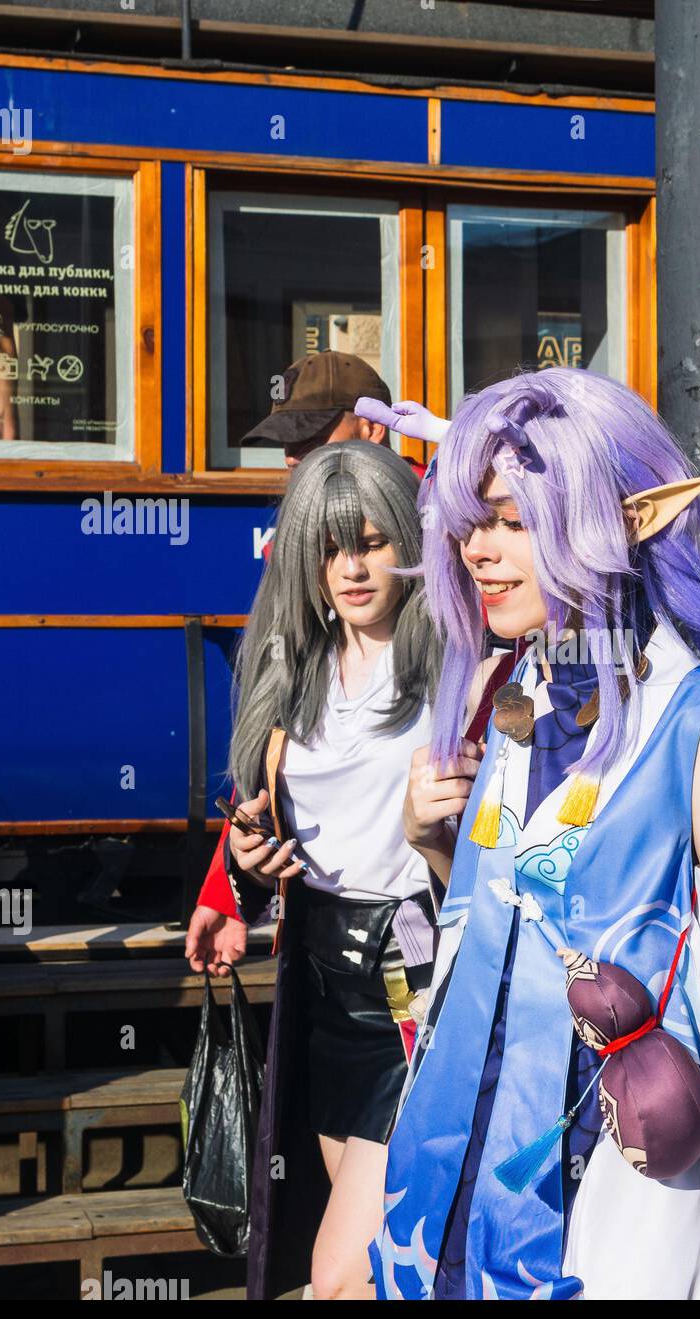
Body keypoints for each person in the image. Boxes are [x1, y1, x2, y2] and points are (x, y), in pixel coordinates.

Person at [372, 368, 700, 1300]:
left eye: (515, 522)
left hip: (615, 1167)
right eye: (473, 523)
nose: (481, 550)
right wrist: (434, 845)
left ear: (615, 524)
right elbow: (495, 928)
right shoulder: (507, 690)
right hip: (459, 1159)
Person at [193, 440, 440, 1301]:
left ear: (408, 540)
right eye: (333, 549)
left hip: (413, 978)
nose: (352, 569)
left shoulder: (453, 661)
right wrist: (242, 869)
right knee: (386, 1264)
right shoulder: (289, 667)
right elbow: (265, 819)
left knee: (340, 1279)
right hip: (319, 990)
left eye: (373, 543)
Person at [184, 353, 397, 978]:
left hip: (425, 949)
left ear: (372, 429)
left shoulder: (451, 537)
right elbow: (275, 733)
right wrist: (230, 884)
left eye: (308, 437)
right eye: (285, 442)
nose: (291, 458)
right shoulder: (297, 544)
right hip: (320, 944)